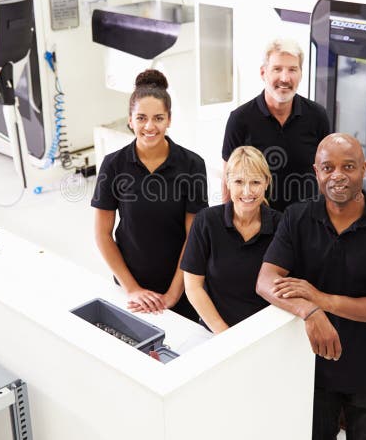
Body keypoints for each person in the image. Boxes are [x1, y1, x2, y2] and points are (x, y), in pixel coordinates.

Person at [257, 133, 366, 440]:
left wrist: (325, 300)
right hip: (313, 372)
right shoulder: (297, 217)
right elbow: (265, 280)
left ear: (364, 168)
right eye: (328, 167)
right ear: (316, 171)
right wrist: (310, 310)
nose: (338, 176)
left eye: (349, 166)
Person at [92, 69, 208, 320]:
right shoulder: (113, 165)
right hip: (129, 287)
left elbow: (194, 238)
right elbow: (102, 234)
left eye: (158, 118)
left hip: (181, 285)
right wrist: (132, 289)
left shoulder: (192, 165)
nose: (149, 126)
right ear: (130, 120)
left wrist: (174, 294)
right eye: (141, 118)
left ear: (169, 119)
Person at [222, 38, 330, 212]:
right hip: (258, 226)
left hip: (305, 224)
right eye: (277, 69)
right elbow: (228, 179)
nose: (285, 78)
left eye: (292, 69)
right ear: (263, 73)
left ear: (301, 73)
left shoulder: (317, 116)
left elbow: (327, 172)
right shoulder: (240, 119)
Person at [181, 146, 282, 333]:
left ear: (267, 182)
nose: (247, 191)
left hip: (265, 333)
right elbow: (193, 287)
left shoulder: (282, 226)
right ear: (227, 182)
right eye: (239, 181)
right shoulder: (206, 221)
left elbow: (287, 289)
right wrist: (224, 334)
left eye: (255, 182)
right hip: (215, 332)